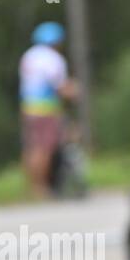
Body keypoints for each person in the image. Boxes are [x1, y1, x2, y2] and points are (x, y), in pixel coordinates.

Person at [19, 21, 79, 198]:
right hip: (45, 109)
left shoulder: (29, 56)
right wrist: (74, 91)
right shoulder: (52, 59)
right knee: (44, 148)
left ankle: (30, 186)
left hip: (27, 108)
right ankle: (41, 188)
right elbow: (60, 86)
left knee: (30, 148)